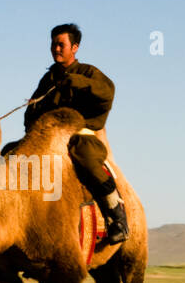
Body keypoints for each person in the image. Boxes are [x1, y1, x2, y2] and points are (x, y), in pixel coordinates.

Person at [22, 23, 129, 244]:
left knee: (86, 158)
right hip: (48, 138)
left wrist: (74, 82)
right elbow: (32, 110)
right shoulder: (48, 80)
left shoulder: (89, 73)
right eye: (53, 45)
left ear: (75, 47)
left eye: (61, 44)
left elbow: (107, 93)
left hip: (82, 135)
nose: (56, 49)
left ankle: (117, 218)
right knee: (11, 154)